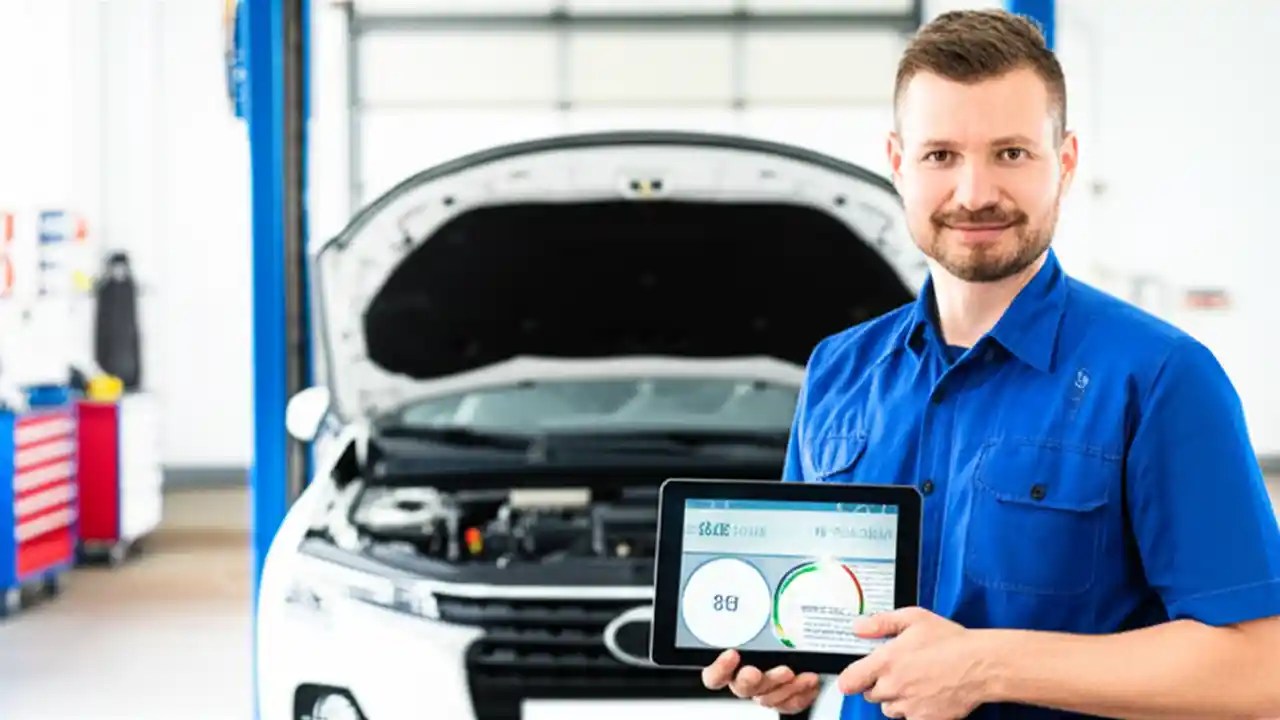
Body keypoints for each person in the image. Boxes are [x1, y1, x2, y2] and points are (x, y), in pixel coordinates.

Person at [701, 9, 1280, 720]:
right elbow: (815, 616)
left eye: (1010, 153)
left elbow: (1259, 666)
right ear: (897, 163)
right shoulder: (837, 371)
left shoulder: (1161, 378)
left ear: (1064, 163)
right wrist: (791, 675)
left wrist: (985, 666)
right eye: (941, 154)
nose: (974, 193)